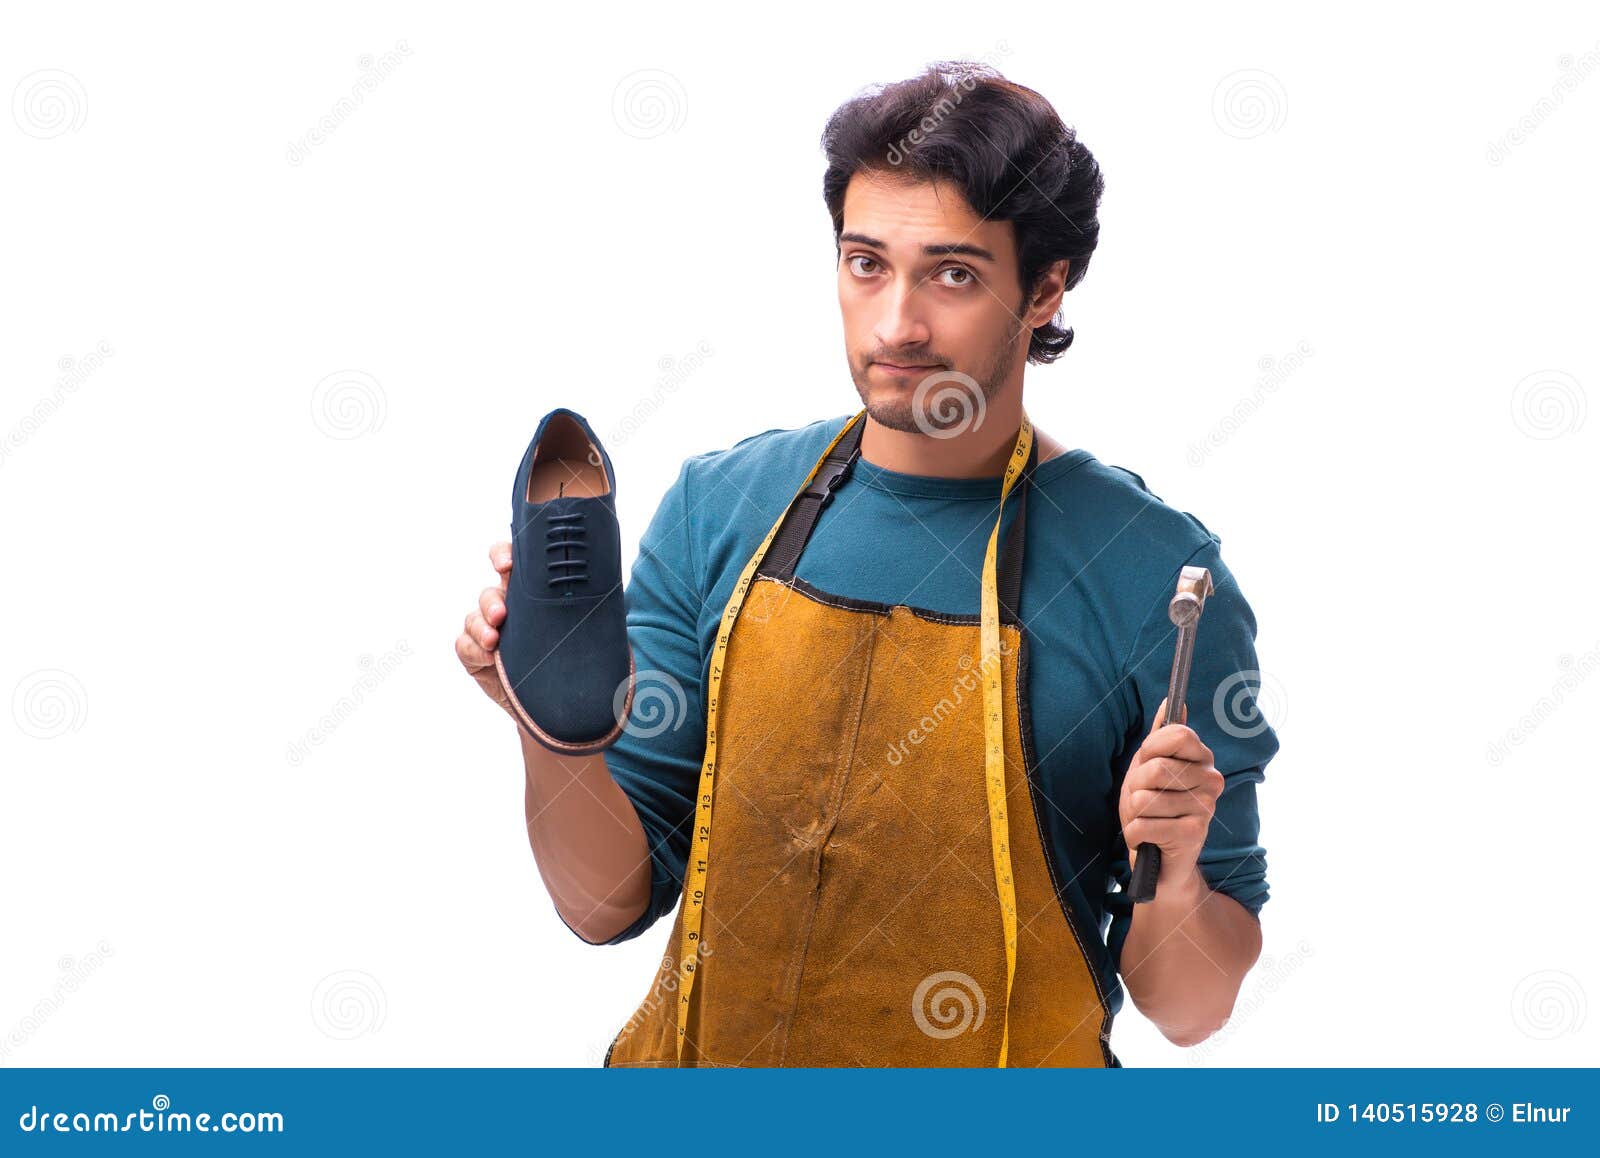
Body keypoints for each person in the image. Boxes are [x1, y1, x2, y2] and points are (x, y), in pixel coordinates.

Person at [456, 60, 1280, 1066]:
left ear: (1047, 289)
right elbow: (602, 904)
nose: (896, 324)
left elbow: (1189, 1009)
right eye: (865, 264)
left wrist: (1182, 873)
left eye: (953, 273)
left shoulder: (1153, 574)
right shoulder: (722, 509)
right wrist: (553, 731)